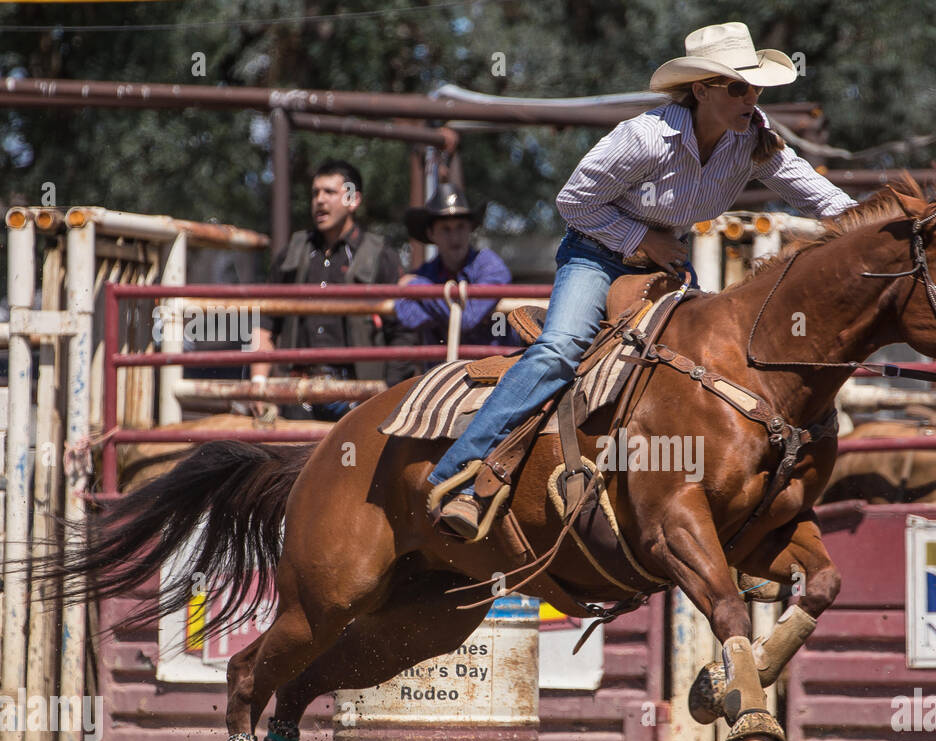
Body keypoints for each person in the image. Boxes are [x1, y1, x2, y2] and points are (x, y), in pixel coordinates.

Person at [430, 22, 858, 538]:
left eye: (755, 86)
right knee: (560, 349)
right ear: (701, 90)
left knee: (714, 366)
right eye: (738, 86)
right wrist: (641, 240)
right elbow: (573, 203)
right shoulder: (644, 138)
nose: (752, 97)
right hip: (597, 255)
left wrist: (880, 228)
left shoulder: (754, 139)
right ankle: (456, 475)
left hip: (667, 262)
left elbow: (817, 194)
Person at [248, 158, 414, 420]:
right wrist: (258, 384)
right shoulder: (293, 252)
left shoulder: (380, 255)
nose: (320, 200)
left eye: (330, 192)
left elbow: (403, 331)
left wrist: (385, 396)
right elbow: (266, 322)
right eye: (315, 193)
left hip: (358, 397)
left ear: (353, 199)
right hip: (296, 395)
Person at [394, 183, 518, 363]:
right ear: (431, 233)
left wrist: (418, 289)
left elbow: (467, 318)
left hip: (491, 375)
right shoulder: (426, 272)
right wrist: (451, 315)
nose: (455, 237)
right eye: (446, 229)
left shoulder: (491, 266)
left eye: (460, 227)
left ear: (470, 229)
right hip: (442, 375)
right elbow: (407, 314)